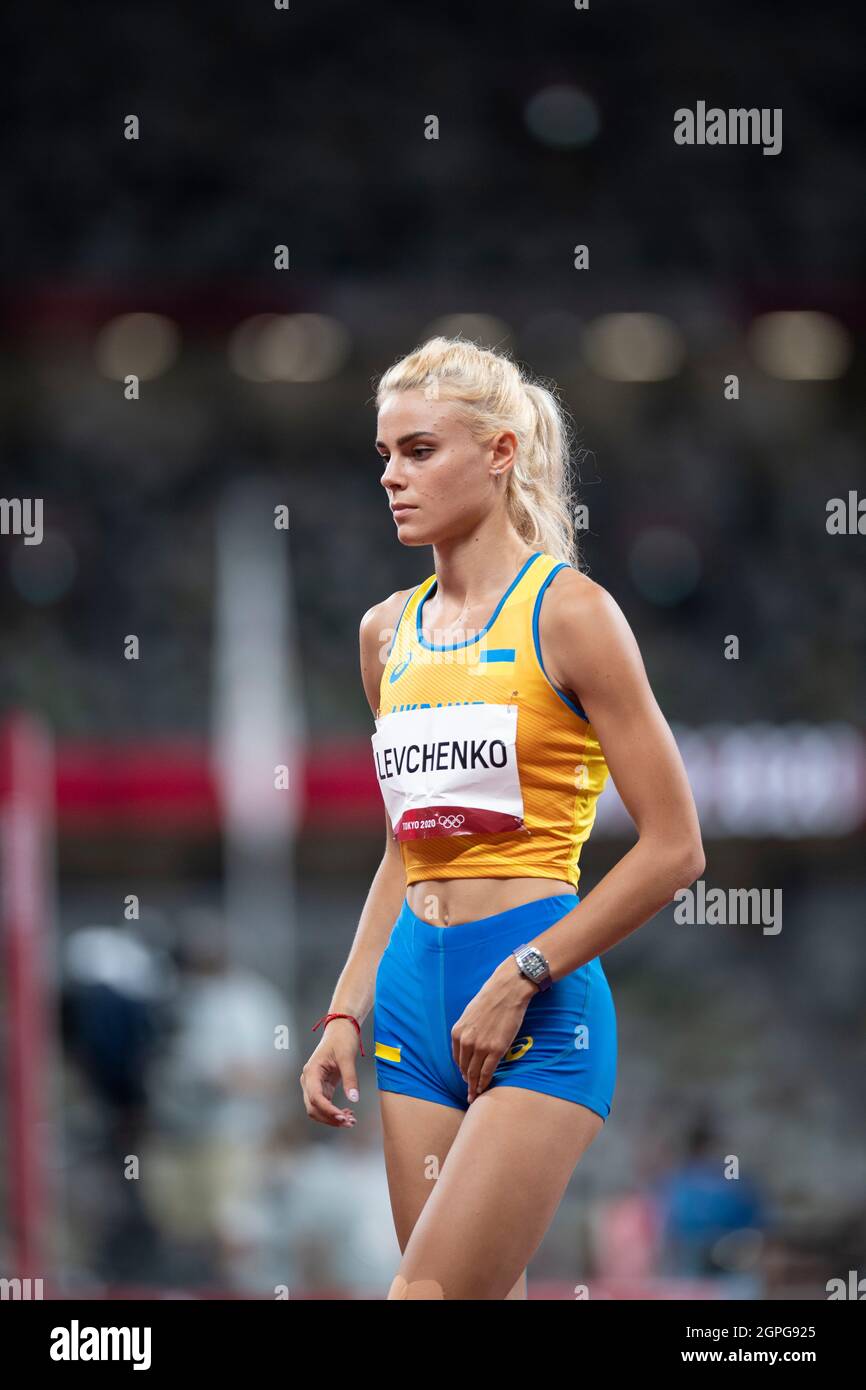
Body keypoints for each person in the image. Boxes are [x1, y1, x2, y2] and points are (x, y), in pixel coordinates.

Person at [300, 336, 705, 1300]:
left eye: (420, 450)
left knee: (424, 1298)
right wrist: (343, 1013)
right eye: (385, 456)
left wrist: (525, 974)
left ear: (499, 452)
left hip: (538, 996)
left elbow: (677, 848)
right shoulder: (385, 633)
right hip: (409, 1001)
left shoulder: (571, 616)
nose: (393, 477)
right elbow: (408, 846)